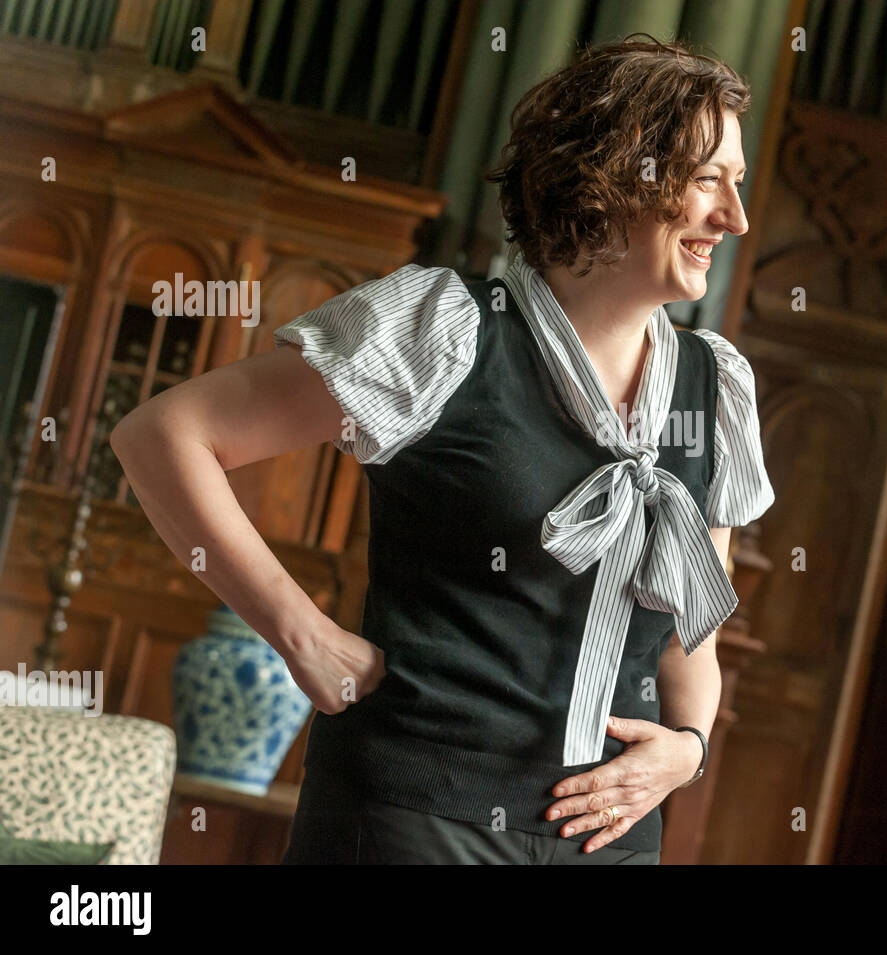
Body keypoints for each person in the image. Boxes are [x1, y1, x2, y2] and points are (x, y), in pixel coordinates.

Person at [110, 36, 774, 864]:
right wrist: (301, 635)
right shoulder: (446, 331)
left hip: (611, 839)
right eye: (708, 180)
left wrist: (688, 748)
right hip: (412, 819)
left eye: (736, 184)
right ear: (616, 173)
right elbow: (163, 436)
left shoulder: (717, 388)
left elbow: (691, 640)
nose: (734, 218)